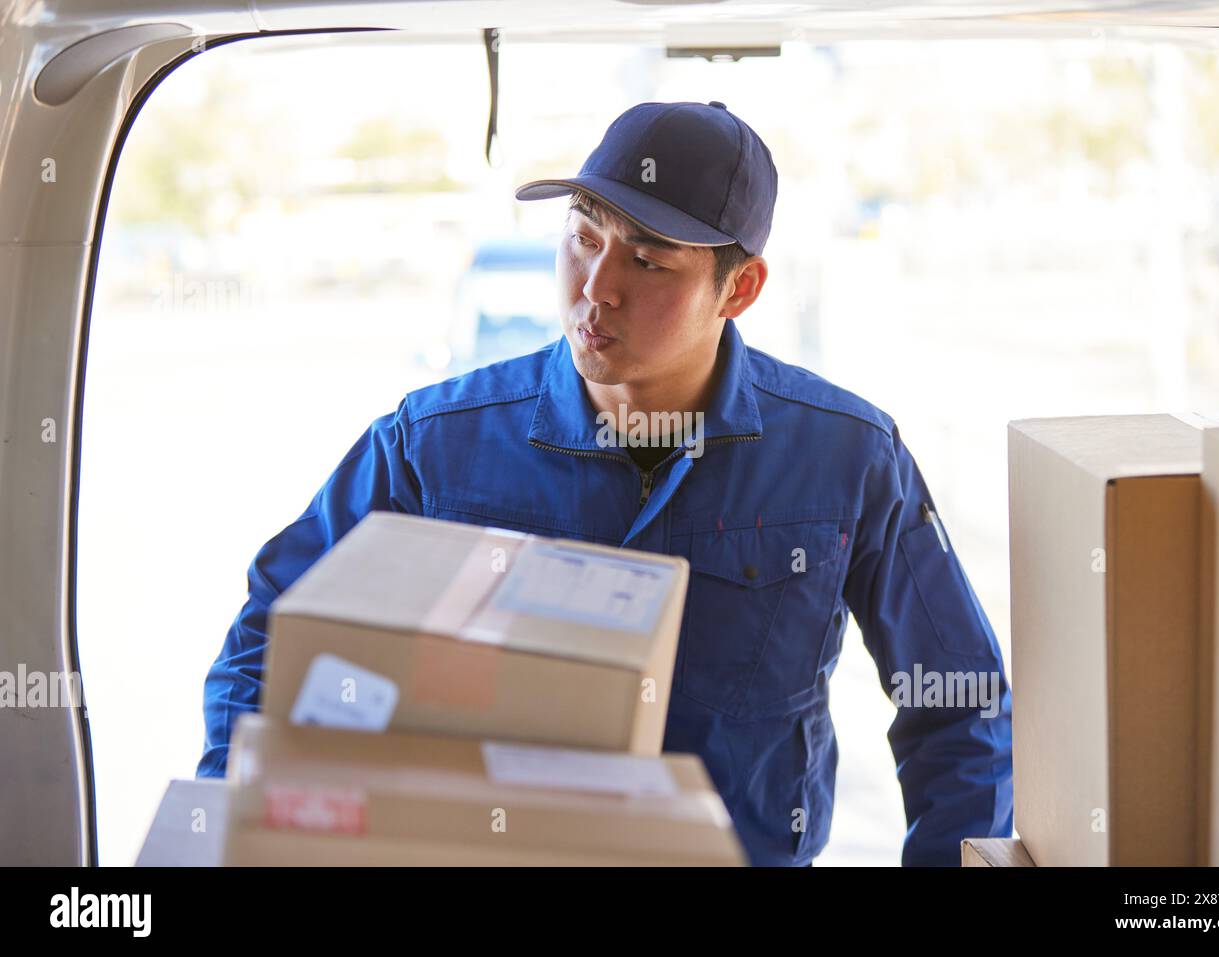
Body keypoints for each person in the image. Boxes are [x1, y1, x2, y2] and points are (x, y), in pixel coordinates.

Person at [197, 100, 1013, 866]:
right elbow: (270, 639)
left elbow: (960, 702)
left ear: (739, 288)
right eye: (584, 237)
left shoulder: (847, 456)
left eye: (647, 260)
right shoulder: (433, 446)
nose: (596, 289)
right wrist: (235, 831)